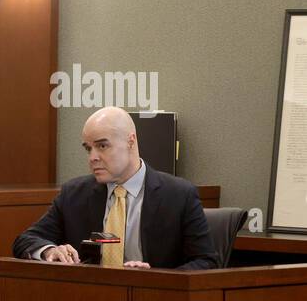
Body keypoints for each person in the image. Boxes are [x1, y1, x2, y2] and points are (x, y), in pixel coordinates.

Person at [12, 106, 218, 269]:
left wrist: (157, 278)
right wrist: (49, 251)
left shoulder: (178, 195)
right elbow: (25, 240)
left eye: (102, 146)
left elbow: (207, 262)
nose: (92, 157)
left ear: (131, 141)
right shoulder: (74, 194)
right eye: (88, 148)